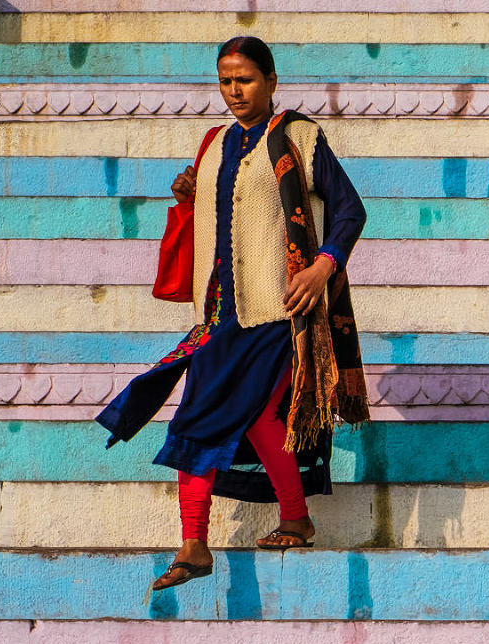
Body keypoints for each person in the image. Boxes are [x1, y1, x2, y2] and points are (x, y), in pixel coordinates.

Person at [97, 36, 369, 589]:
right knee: (259, 421)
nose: (234, 91)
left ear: (271, 81)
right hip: (218, 313)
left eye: (244, 79)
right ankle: (289, 518)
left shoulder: (300, 135)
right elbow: (218, 216)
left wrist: (322, 267)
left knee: (209, 417)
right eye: (225, 81)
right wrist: (188, 196)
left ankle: (196, 543)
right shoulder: (214, 142)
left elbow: (349, 209)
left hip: (275, 312)